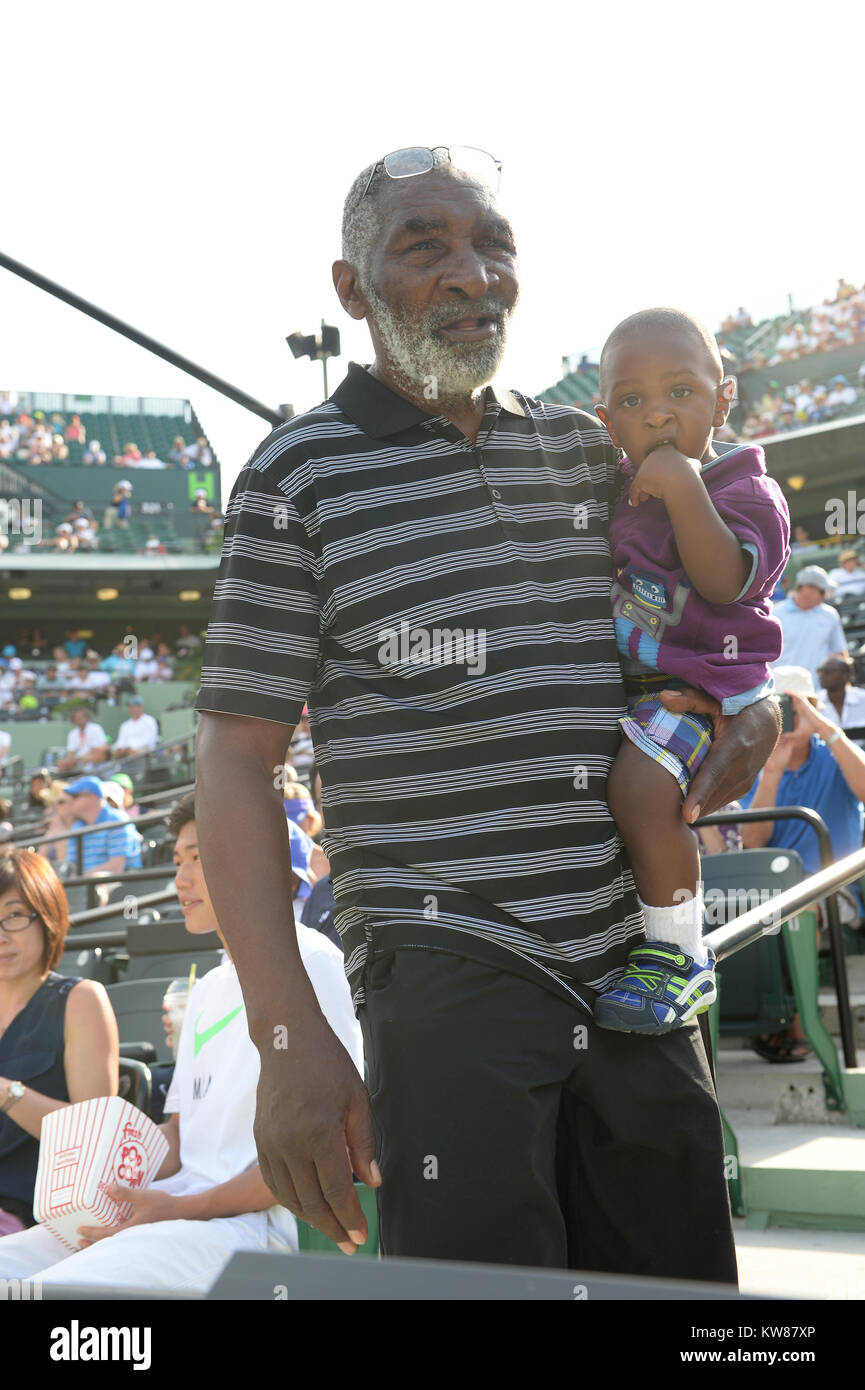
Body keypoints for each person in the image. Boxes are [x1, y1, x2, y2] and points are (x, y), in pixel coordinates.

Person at [192, 146, 779, 1279]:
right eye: (425, 247)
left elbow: (720, 591)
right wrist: (287, 1037)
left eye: (492, 244)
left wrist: (763, 700)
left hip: (630, 971)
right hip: (446, 960)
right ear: (351, 289)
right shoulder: (293, 479)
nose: (472, 274)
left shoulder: (587, 444)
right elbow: (234, 759)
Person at [0, 790, 363, 1290]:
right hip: (183, 1210)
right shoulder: (210, 986)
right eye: (177, 860)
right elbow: (178, 1137)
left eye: (199, 857)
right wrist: (112, 1194)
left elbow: (329, 1149)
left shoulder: (311, 962)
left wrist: (175, 1208)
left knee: (55, 1289)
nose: (181, 877)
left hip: (264, 1226)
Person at [592, 308, 789, 1033]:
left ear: (723, 396)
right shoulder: (614, 484)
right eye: (633, 401)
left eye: (680, 392)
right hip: (634, 684)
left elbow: (719, 581)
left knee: (641, 791)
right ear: (605, 416)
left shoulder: (744, 488)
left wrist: (679, 485)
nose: (659, 416)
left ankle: (678, 954)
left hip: (708, 687)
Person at [739, 665, 865, 1059]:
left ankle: (801, 1026)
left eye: (798, 707)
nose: (791, 717)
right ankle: (759, 1018)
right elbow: (751, 842)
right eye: (782, 708)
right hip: (774, 888)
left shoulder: (834, 754)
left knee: (800, 907)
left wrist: (824, 727)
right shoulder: (760, 767)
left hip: (833, 886)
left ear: (815, 707)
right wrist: (773, 769)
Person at [0, 849, 118, 1234]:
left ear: (47, 917)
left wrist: (7, 1093)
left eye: (14, 915)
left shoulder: (79, 1000)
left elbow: (95, 1141)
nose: (1, 934)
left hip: (34, 1214)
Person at [773, 566, 848, 687]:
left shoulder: (830, 614)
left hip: (822, 692)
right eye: (822, 591)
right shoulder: (775, 614)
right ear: (805, 588)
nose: (825, 596)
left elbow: (840, 653)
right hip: (785, 693)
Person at [63, 777, 142, 877]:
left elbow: (116, 867)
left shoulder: (117, 819)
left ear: (92, 797)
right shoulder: (77, 826)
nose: (69, 801)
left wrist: (83, 879)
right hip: (89, 885)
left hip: (123, 885)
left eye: (75, 796)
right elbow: (71, 867)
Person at [816, 656, 865, 743]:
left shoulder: (863, 699)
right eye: (819, 671)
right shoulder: (814, 702)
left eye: (827, 671)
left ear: (846, 676)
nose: (821, 675)